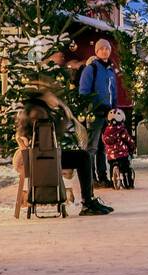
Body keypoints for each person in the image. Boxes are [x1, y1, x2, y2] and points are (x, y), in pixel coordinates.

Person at [15, 86, 113, 216]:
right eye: (52, 97)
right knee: (83, 157)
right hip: (44, 159)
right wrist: (64, 112)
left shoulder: (30, 110)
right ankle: (88, 202)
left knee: (82, 156)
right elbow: (52, 134)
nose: (55, 99)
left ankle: (89, 201)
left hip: (36, 158)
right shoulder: (39, 113)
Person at [78, 38, 120, 187]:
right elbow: (83, 91)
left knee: (103, 147)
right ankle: (90, 178)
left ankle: (103, 177)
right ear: (96, 51)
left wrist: (114, 108)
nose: (105, 51)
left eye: (107, 49)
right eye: (101, 49)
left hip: (108, 113)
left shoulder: (109, 69)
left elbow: (113, 91)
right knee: (92, 147)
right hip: (94, 113)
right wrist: (90, 107)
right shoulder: (91, 69)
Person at [101, 109, 135, 188]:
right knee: (126, 168)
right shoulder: (122, 130)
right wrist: (132, 147)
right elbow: (128, 140)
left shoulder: (106, 131)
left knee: (111, 166)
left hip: (111, 155)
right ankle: (129, 183)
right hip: (122, 154)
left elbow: (104, 141)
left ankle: (113, 183)